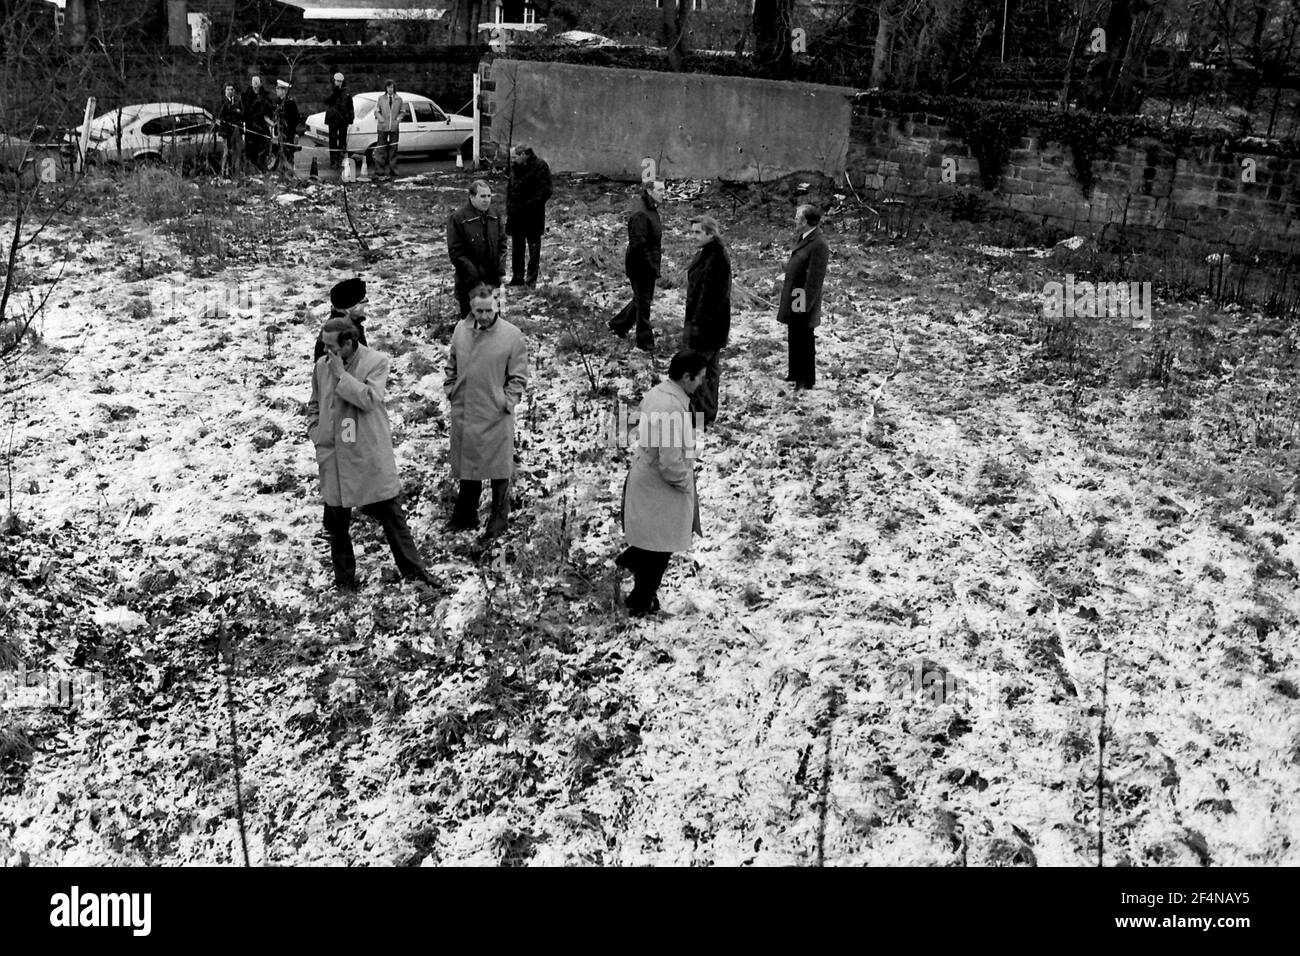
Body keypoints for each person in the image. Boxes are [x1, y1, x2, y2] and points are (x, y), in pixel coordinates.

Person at [307, 316, 436, 591]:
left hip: (366, 453)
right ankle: (344, 582)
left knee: (391, 512)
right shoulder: (320, 366)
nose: (325, 351)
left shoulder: (376, 361)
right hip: (334, 456)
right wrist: (316, 432)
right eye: (323, 345)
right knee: (337, 524)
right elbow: (314, 404)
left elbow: (368, 399)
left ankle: (414, 572)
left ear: (349, 342)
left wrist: (342, 375)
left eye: (331, 346)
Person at [617, 350, 706, 617]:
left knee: (653, 540)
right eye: (700, 378)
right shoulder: (672, 407)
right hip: (660, 486)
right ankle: (640, 602)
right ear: (687, 377)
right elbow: (669, 463)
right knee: (660, 547)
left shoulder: (658, 393)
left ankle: (634, 563)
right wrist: (685, 482)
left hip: (647, 479)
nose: (702, 383)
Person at [683, 215, 731, 427]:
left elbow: (710, 298)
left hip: (707, 326)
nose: (693, 236)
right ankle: (707, 415)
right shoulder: (707, 253)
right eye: (692, 232)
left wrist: (696, 327)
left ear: (710, 234)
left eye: (697, 232)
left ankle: (700, 417)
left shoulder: (716, 258)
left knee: (699, 372)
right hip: (707, 325)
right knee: (709, 371)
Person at [776, 203, 829, 390]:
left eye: (798, 218)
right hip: (794, 294)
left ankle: (805, 379)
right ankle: (794, 373)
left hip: (803, 297)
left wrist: (804, 305)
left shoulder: (819, 244)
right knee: (794, 334)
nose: (795, 221)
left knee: (804, 337)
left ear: (806, 221)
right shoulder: (804, 237)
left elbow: (815, 279)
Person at [608, 179, 664, 352]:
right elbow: (638, 246)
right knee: (644, 304)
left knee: (641, 299)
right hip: (640, 266)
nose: (664, 193)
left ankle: (618, 325)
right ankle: (645, 344)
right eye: (660, 190)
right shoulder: (641, 213)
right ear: (649, 191)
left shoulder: (650, 209)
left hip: (647, 263)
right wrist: (651, 267)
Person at [447, 181, 506, 319]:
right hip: (469, 282)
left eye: (489, 196)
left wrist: (499, 269)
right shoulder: (458, 218)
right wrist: (474, 276)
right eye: (482, 196)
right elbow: (456, 252)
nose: (486, 200)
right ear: (472, 197)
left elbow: (502, 243)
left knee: (495, 321)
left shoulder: (495, 215)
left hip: (493, 279)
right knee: (471, 323)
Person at [505, 145, 552, 287]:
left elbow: (546, 190)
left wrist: (530, 205)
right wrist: (510, 206)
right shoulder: (515, 167)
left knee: (533, 248)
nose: (512, 160)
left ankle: (531, 280)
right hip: (516, 214)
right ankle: (517, 277)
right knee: (517, 248)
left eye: (515, 157)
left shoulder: (540, 166)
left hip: (533, 215)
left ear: (524, 155)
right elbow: (510, 187)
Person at [312, 277, 369, 366]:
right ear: (352, 308)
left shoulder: (344, 326)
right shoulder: (344, 334)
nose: (365, 306)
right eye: (364, 302)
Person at [372, 80, 404, 181]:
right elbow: (376, 111)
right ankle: (379, 171)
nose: (390, 89)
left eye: (392, 87)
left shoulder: (399, 99)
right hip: (382, 128)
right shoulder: (381, 99)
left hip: (394, 128)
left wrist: (398, 120)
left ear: (394, 88)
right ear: (385, 88)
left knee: (393, 149)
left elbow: (402, 112)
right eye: (388, 87)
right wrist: (380, 118)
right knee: (381, 149)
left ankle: (393, 169)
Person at [241, 75, 272, 171]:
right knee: (251, 151)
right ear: (251, 83)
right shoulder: (246, 96)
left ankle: (263, 169)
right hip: (251, 128)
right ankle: (253, 169)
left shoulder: (265, 96)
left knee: (263, 149)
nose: (255, 85)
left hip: (262, 127)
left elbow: (269, 109)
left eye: (257, 82)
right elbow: (245, 111)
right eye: (254, 82)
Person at [324, 72, 354, 170]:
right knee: (332, 141)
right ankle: (333, 161)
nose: (338, 83)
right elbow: (326, 101)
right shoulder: (329, 89)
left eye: (340, 81)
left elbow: (350, 105)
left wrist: (351, 117)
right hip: (332, 118)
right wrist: (334, 92)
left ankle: (341, 159)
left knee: (342, 140)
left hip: (343, 119)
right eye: (337, 81)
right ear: (334, 80)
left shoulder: (347, 91)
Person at [215, 83, 244, 178]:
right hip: (225, 131)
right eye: (228, 89)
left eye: (232, 89)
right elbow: (219, 117)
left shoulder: (237, 101)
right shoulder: (221, 102)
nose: (230, 91)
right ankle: (223, 174)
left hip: (235, 130)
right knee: (226, 153)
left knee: (235, 152)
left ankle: (233, 173)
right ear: (225, 91)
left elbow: (241, 114)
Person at [272, 79, 300, 175]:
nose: (276, 90)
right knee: (278, 153)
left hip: (288, 133)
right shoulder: (277, 102)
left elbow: (296, 118)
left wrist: (289, 127)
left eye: (278, 88)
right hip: (279, 133)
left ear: (283, 90)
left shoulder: (290, 103)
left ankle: (290, 173)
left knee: (288, 154)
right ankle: (281, 173)